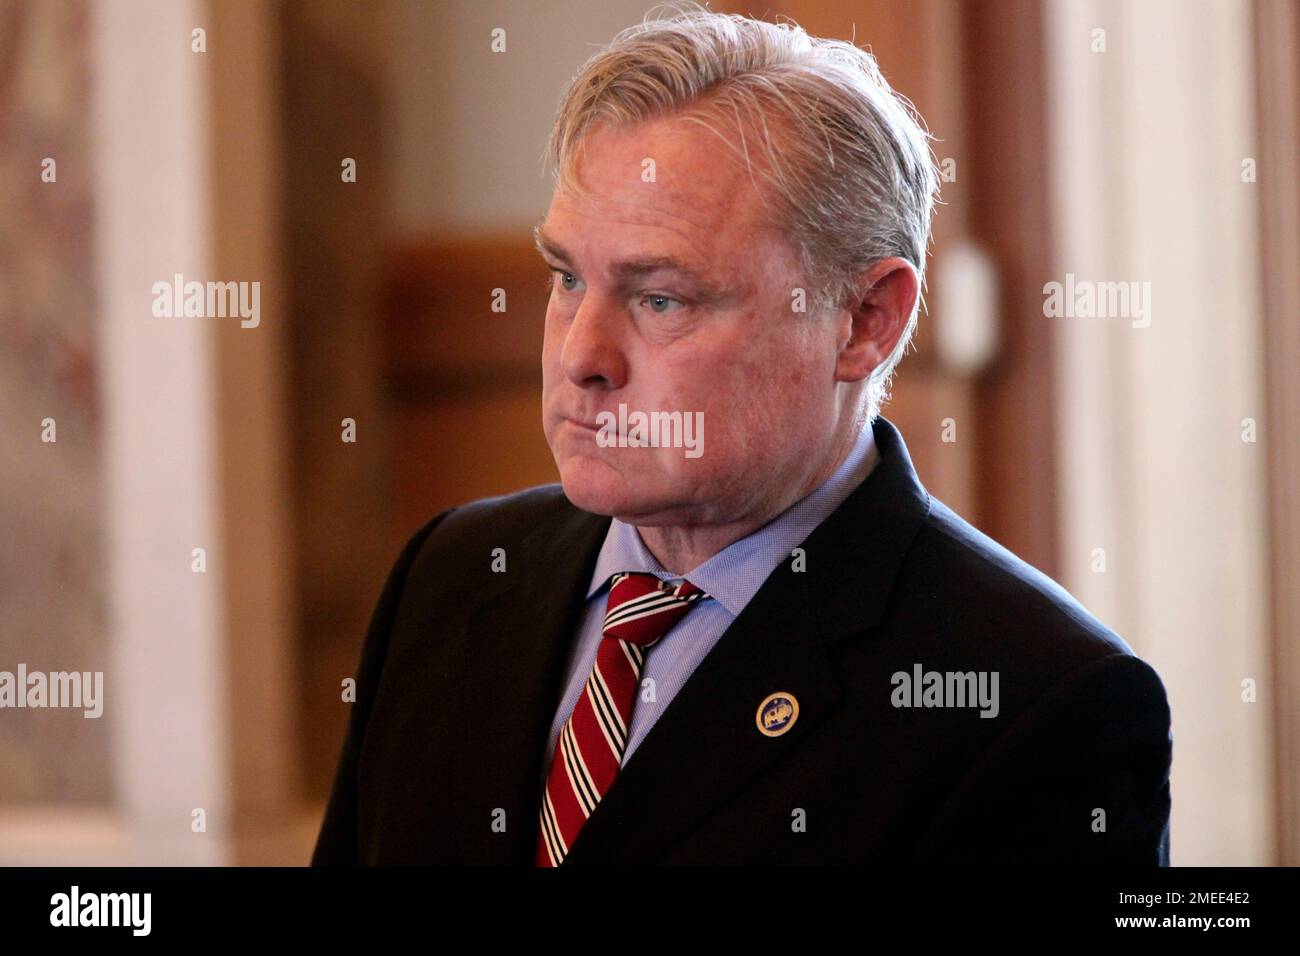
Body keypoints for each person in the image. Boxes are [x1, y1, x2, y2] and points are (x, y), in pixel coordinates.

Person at [312, 5, 1172, 866]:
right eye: (567, 278)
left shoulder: (1037, 701)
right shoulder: (454, 575)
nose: (581, 356)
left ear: (864, 320)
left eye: (661, 299)